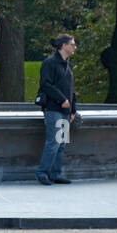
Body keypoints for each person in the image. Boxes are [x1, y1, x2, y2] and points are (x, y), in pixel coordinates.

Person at [35, 34, 79, 185]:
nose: (75, 47)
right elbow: (45, 85)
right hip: (53, 109)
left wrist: (73, 110)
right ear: (63, 45)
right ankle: (42, 173)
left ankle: (55, 173)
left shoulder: (68, 65)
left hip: (66, 111)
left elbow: (71, 90)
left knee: (61, 143)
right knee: (53, 142)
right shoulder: (50, 63)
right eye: (72, 44)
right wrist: (62, 100)